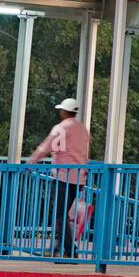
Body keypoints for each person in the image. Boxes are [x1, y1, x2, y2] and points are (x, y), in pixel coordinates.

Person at [27, 96, 90, 260]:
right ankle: (57, 247)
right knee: (62, 214)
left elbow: (47, 147)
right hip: (78, 179)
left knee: (60, 215)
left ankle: (70, 250)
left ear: (64, 111)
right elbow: (84, 154)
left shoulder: (61, 128)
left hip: (63, 177)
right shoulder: (83, 130)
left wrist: (31, 162)